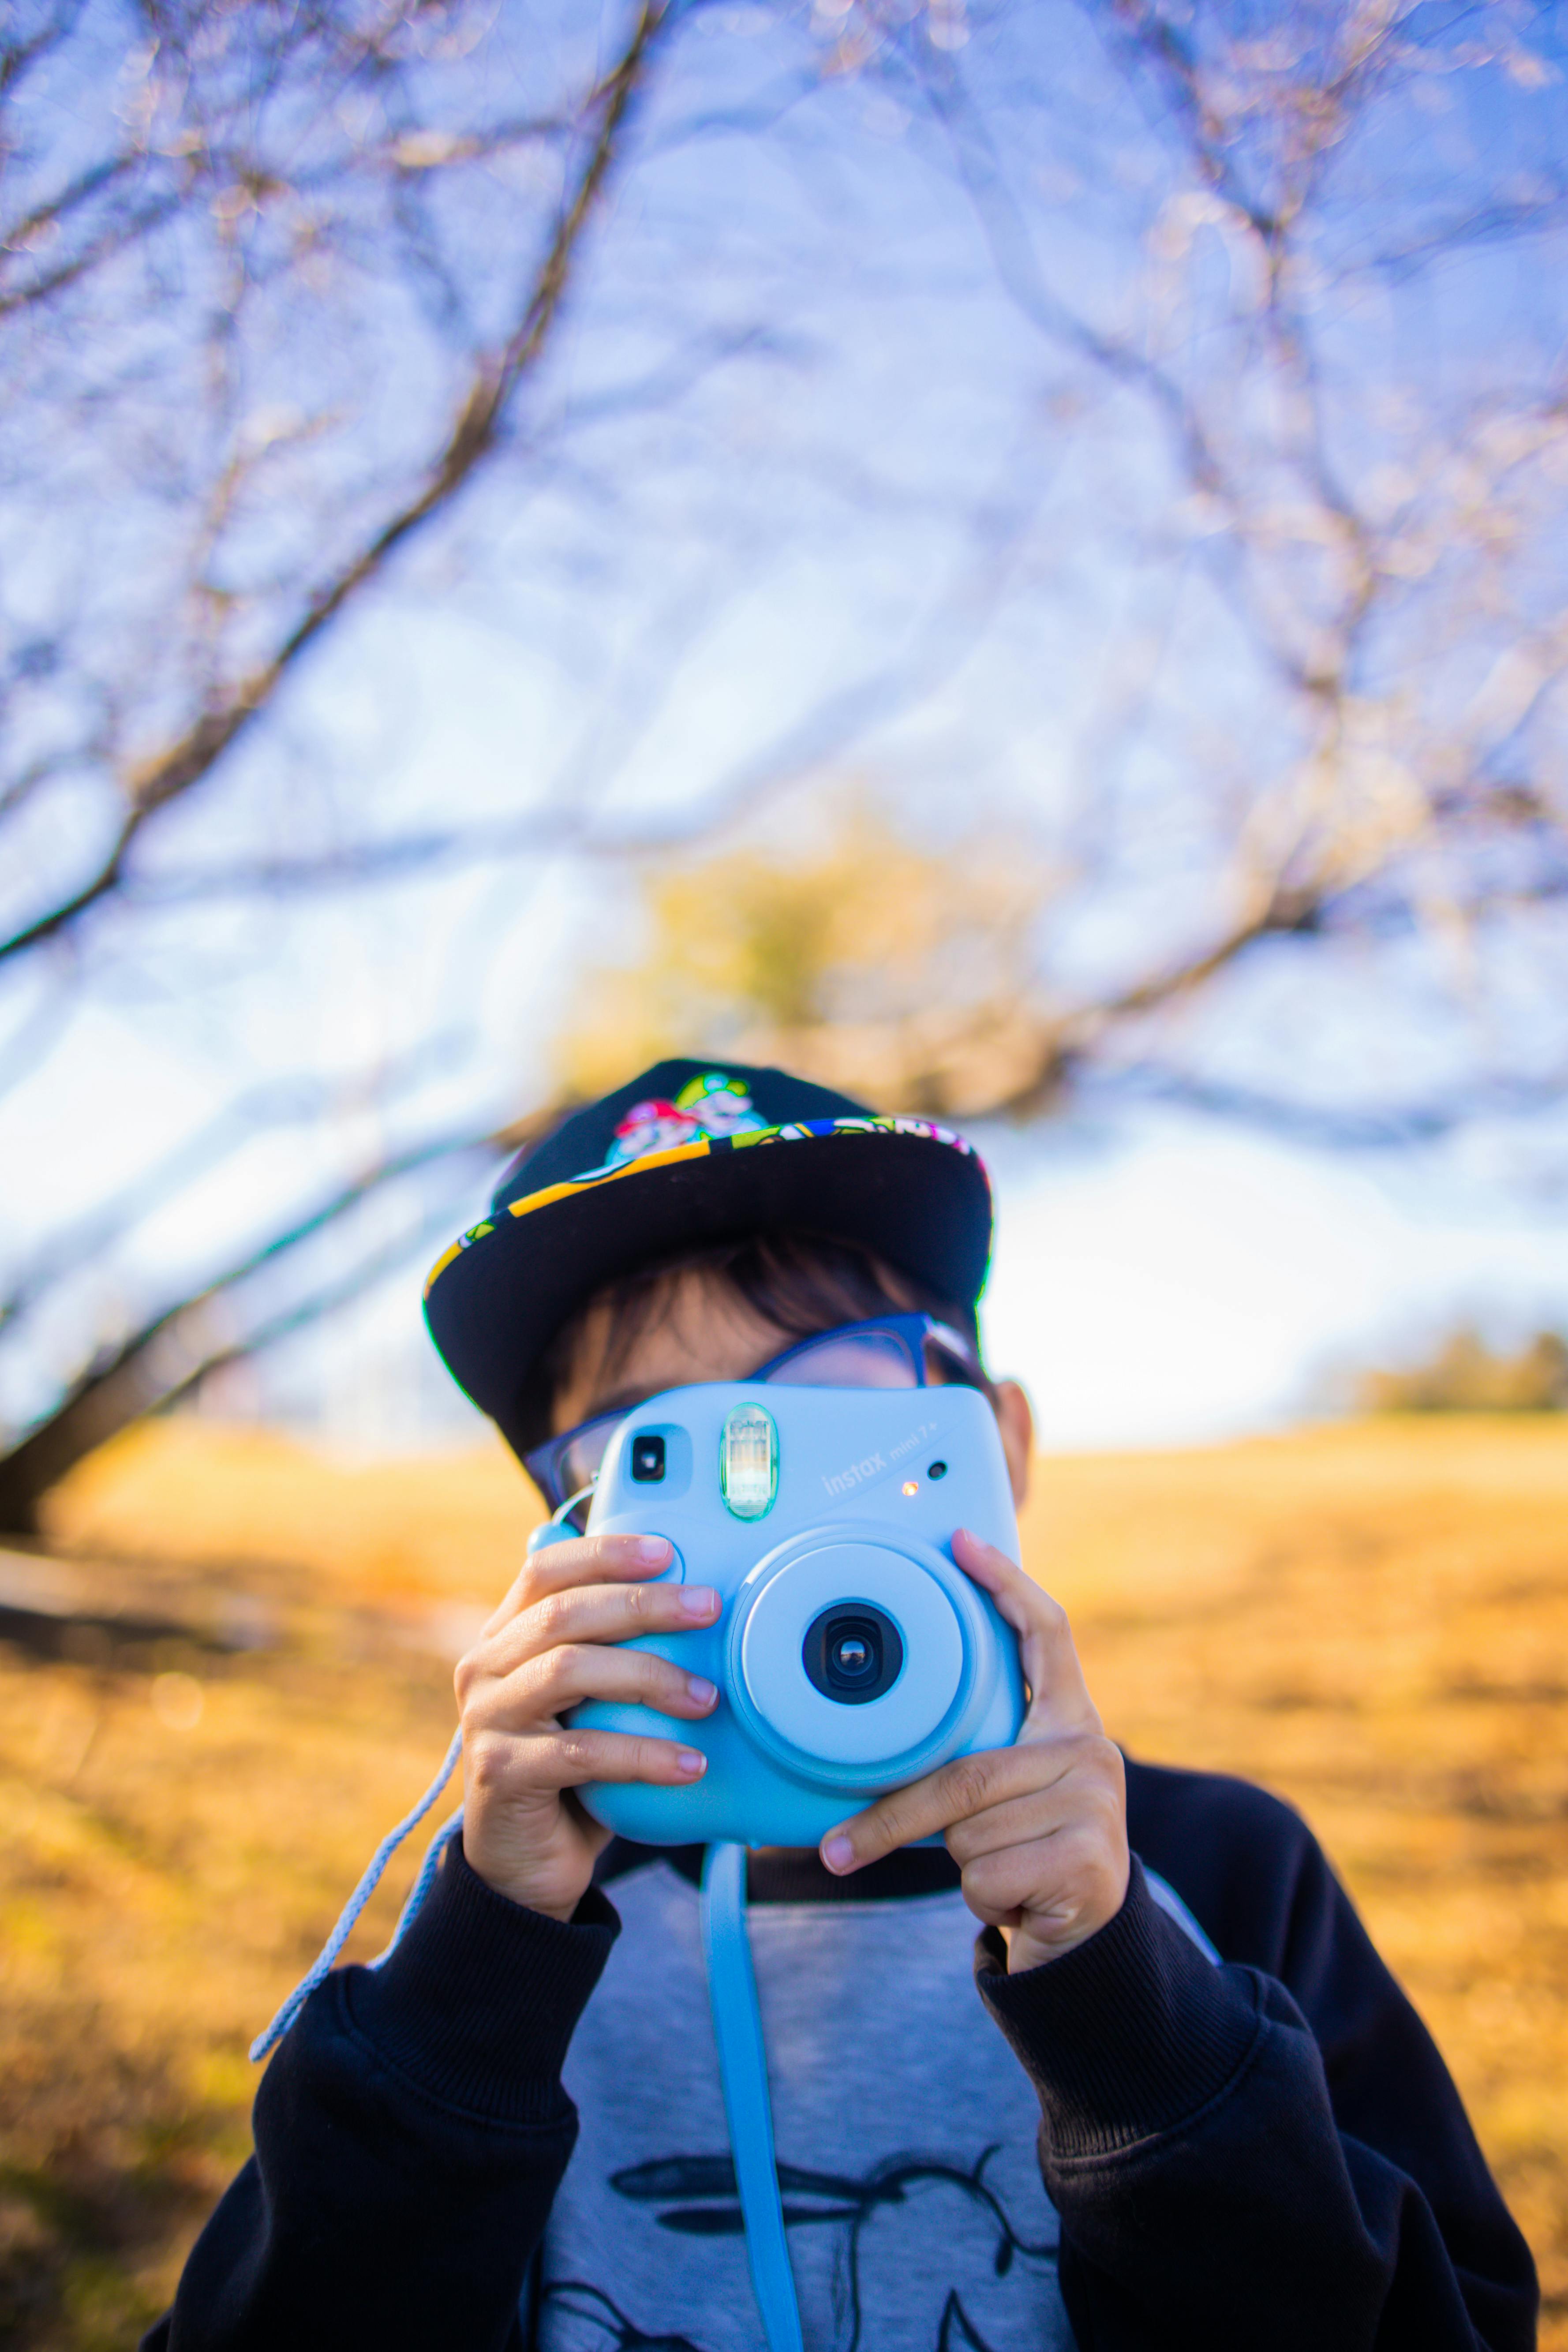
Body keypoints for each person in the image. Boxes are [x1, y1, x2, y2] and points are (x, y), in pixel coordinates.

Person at [143, 1060, 1538, 2352]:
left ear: (994, 1448)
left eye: (838, 1405)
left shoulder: (1217, 1872)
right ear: (564, 1539)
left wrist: (1127, 2009)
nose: (775, 1517)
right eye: (662, 1450)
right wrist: (473, 1974)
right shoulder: (507, 1947)